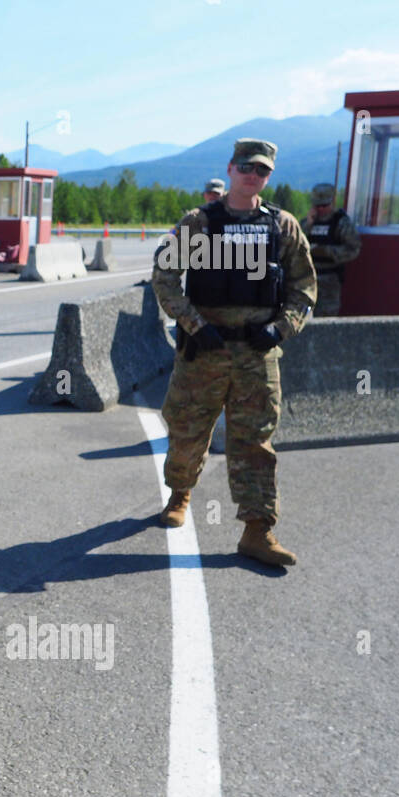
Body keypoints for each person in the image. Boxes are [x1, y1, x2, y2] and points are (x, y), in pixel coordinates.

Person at [151, 138, 316, 567]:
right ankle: (180, 493)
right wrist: (195, 325)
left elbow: (304, 289)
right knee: (187, 430)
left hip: (256, 355)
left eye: (261, 170)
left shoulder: (282, 226)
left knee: (255, 444)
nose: (252, 175)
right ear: (230, 169)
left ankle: (258, 530)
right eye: (246, 167)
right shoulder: (198, 223)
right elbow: (164, 277)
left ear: (268, 176)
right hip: (204, 349)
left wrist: (280, 329)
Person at [303, 183, 361, 317]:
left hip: (329, 281)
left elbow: (353, 249)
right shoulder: (308, 222)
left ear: (333, 202)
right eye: (318, 205)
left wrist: (327, 251)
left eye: (325, 205)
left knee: (326, 320)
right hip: (307, 279)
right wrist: (308, 224)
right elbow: (294, 243)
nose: (321, 209)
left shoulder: (341, 223)